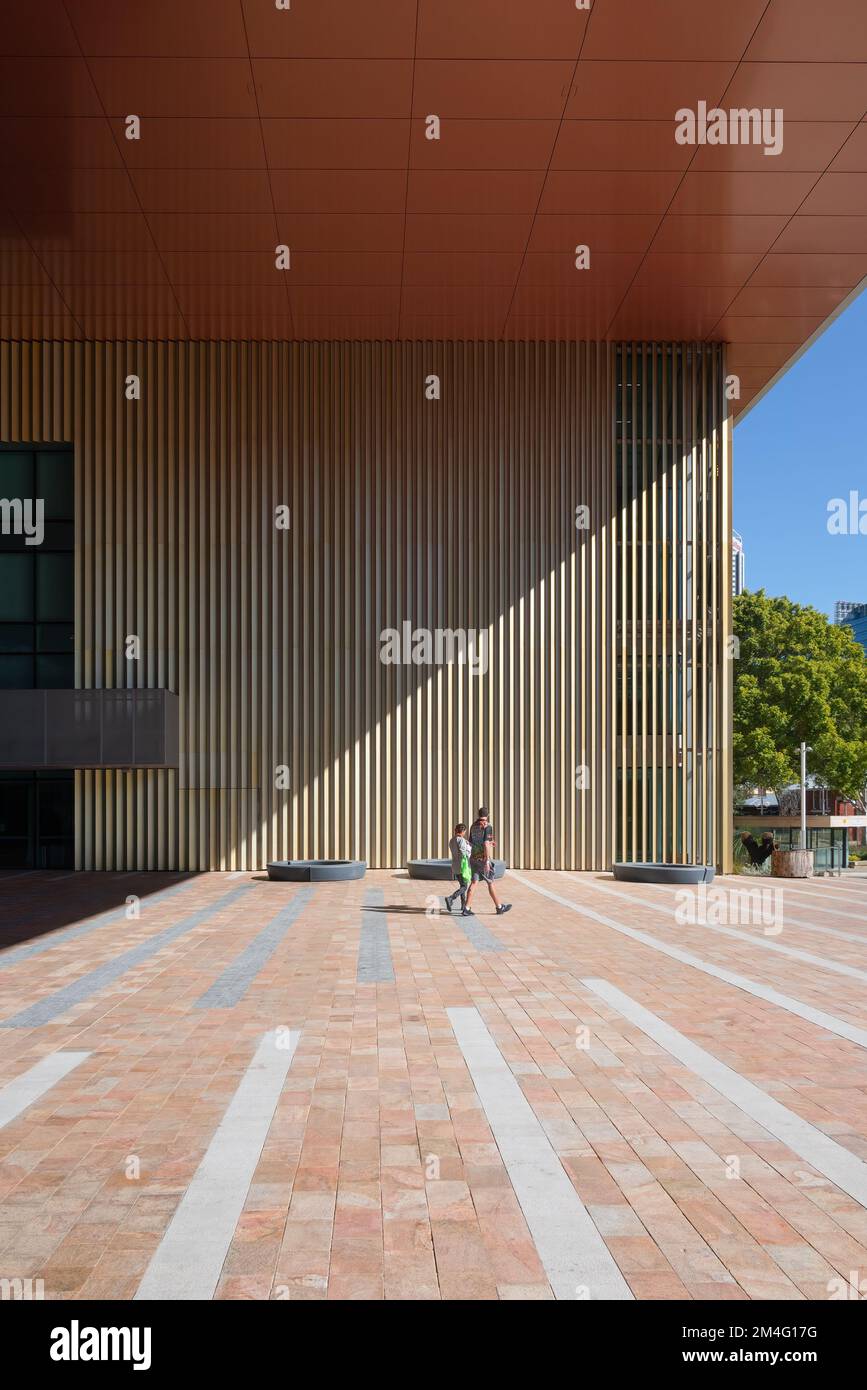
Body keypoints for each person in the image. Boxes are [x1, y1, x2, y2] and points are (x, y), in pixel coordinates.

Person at [463, 805, 511, 916]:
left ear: (478, 815)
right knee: (490, 882)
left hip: (474, 858)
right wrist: (487, 861)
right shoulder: (487, 826)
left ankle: (466, 907)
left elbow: (471, 842)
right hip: (483, 859)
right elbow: (485, 843)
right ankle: (499, 907)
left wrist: (490, 842)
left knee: (474, 883)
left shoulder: (473, 826)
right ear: (487, 815)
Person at [444, 822, 471, 913]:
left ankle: (463, 905)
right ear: (463, 831)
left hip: (455, 865)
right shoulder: (461, 840)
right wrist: (469, 850)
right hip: (462, 866)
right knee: (464, 887)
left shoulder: (451, 840)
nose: (465, 834)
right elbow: (464, 854)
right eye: (465, 832)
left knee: (462, 885)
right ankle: (451, 898)